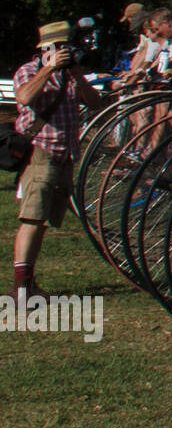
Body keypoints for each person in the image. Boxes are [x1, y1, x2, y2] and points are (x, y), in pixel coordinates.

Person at [10, 22, 101, 302]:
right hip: (40, 152)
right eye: (60, 48)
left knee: (43, 221)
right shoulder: (29, 70)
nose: (65, 52)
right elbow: (24, 97)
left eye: (67, 48)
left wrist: (78, 75)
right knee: (32, 219)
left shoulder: (70, 75)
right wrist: (48, 68)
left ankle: (28, 283)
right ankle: (21, 289)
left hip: (64, 154)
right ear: (46, 49)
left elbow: (95, 103)